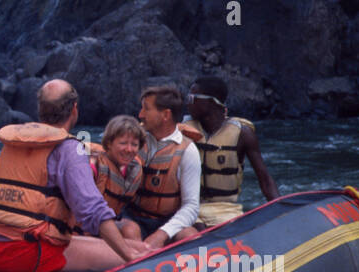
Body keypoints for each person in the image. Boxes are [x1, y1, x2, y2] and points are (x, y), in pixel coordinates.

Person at [0, 80, 152, 272]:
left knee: (140, 246)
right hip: (30, 253)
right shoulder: (69, 149)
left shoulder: (12, 143)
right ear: (74, 109)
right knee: (143, 255)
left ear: (40, 109)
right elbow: (93, 209)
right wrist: (129, 256)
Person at [182, 76, 279, 227]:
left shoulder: (243, 134)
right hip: (189, 207)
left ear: (211, 102)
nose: (188, 102)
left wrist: (280, 211)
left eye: (192, 97)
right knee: (194, 229)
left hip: (226, 210)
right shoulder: (183, 129)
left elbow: (265, 180)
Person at [126, 85, 202, 248]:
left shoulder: (188, 152)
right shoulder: (132, 141)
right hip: (132, 218)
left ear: (165, 115)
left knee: (189, 236)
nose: (140, 115)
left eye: (146, 109)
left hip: (167, 223)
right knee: (130, 230)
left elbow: (191, 206)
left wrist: (161, 234)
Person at [90, 114, 145, 219]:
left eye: (134, 145)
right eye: (123, 143)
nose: (129, 149)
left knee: (131, 230)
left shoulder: (134, 169)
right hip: (81, 226)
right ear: (109, 143)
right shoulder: (93, 165)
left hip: (109, 219)